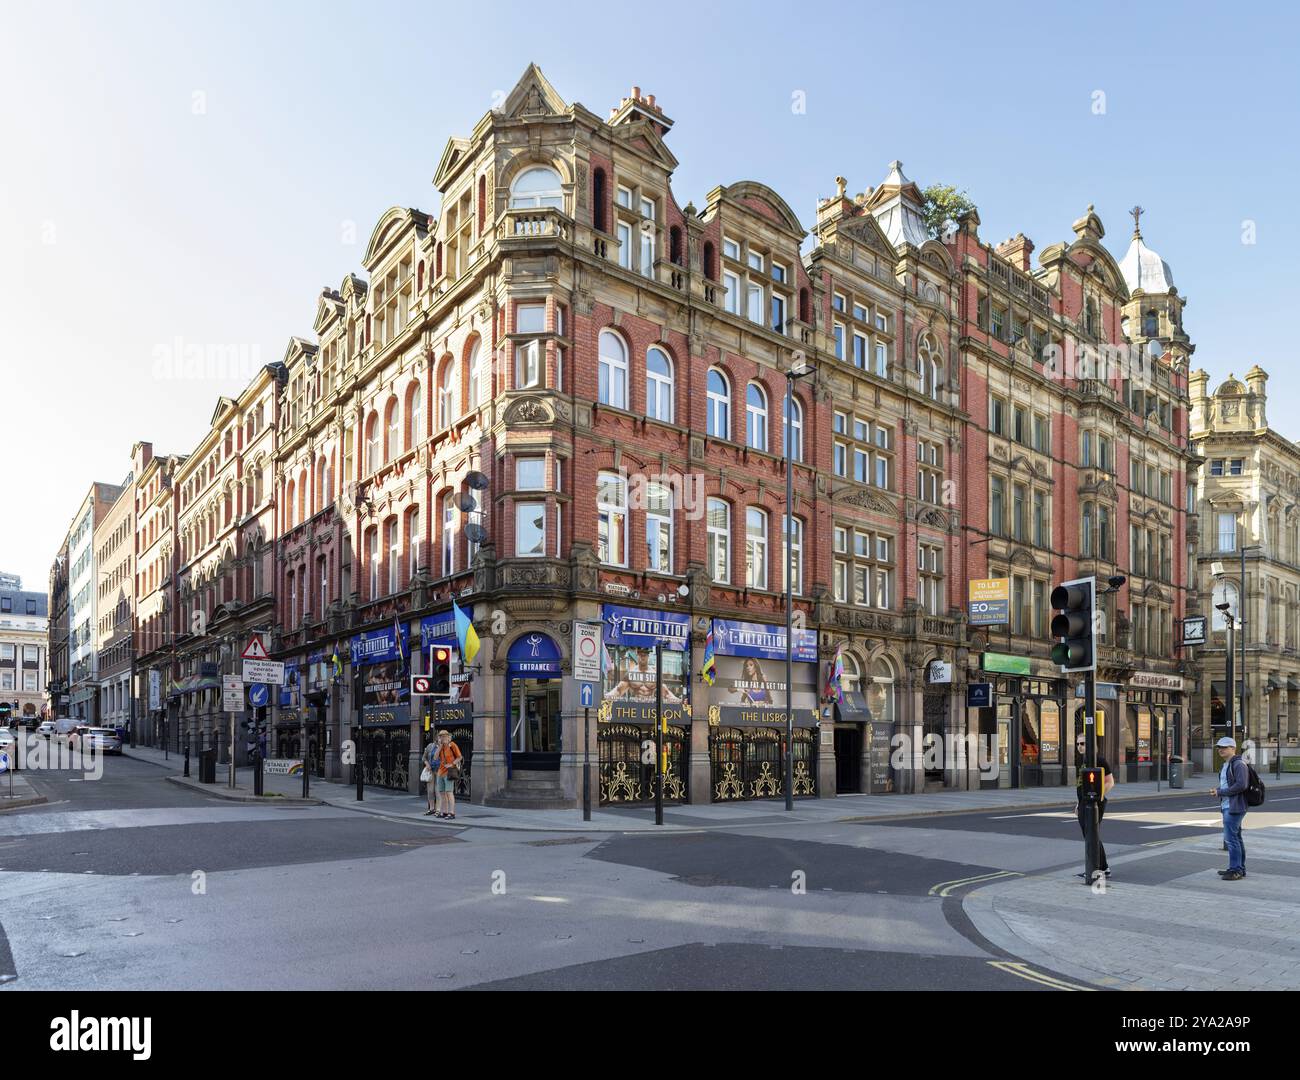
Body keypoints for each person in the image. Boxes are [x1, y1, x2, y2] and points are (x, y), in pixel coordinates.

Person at [1075, 733, 1114, 880]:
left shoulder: (1099, 760)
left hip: (1094, 803)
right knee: (1090, 836)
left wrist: (1096, 798)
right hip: (1084, 803)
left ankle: (1098, 869)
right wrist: (1079, 804)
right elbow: (1083, 785)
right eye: (1078, 744)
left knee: (1091, 835)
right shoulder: (1084, 760)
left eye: (1083, 743)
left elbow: (1110, 782)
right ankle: (1103, 868)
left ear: (1091, 744)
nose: (1080, 746)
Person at [1212, 736, 1249, 880]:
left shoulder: (1239, 764)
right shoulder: (1226, 765)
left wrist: (1220, 792)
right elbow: (1229, 785)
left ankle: (1236, 870)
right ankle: (1239, 868)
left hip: (1235, 806)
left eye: (1224, 747)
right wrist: (1218, 790)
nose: (1221, 750)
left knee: (1231, 839)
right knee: (1236, 838)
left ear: (1233, 748)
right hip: (1228, 805)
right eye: (1219, 747)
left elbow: (1241, 785)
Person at [429, 729, 463, 820]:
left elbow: (460, 757)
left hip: (449, 772)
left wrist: (452, 764)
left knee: (449, 792)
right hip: (440, 772)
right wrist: (440, 747)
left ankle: (452, 813)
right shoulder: (440, 747)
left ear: (448, 737)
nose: (443, 738)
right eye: (441, 736)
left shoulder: (452, 745)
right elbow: (435, 758)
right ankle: (444, 812)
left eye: (444, 736)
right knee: (442, 793)